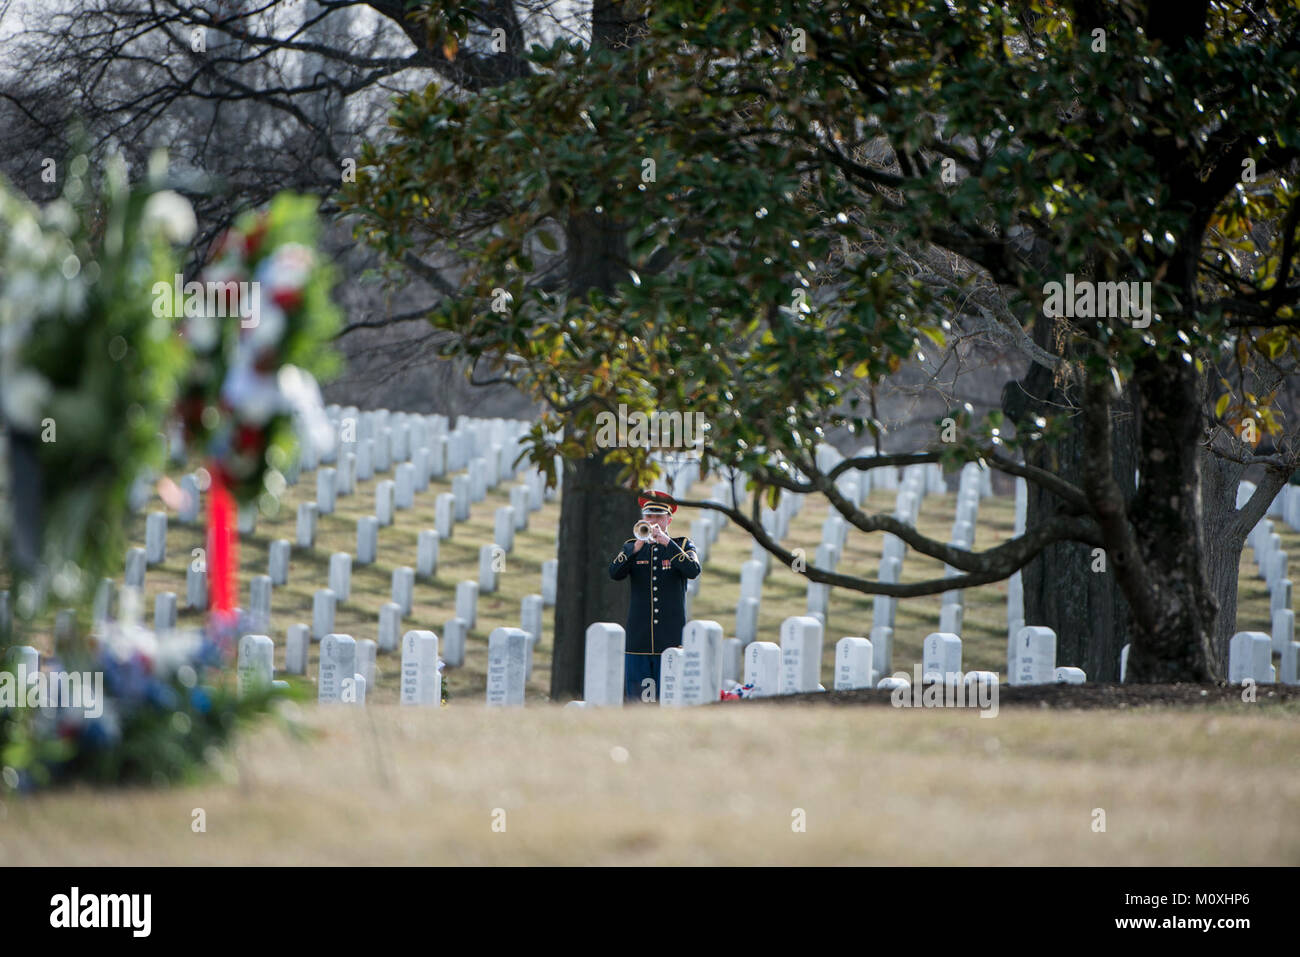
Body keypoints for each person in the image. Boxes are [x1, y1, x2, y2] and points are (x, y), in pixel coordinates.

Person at [608, 490, 701, 702]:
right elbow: (614, 573)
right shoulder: (632, 547)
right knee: (638, 700)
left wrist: (667, 542)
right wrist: (635, 548)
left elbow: (693, 570)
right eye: (649, 516)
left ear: (669, 519)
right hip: (638, 639)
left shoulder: (683, 544)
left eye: (658, 516)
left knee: (669, 697)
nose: (653, 521)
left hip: (670, 638)